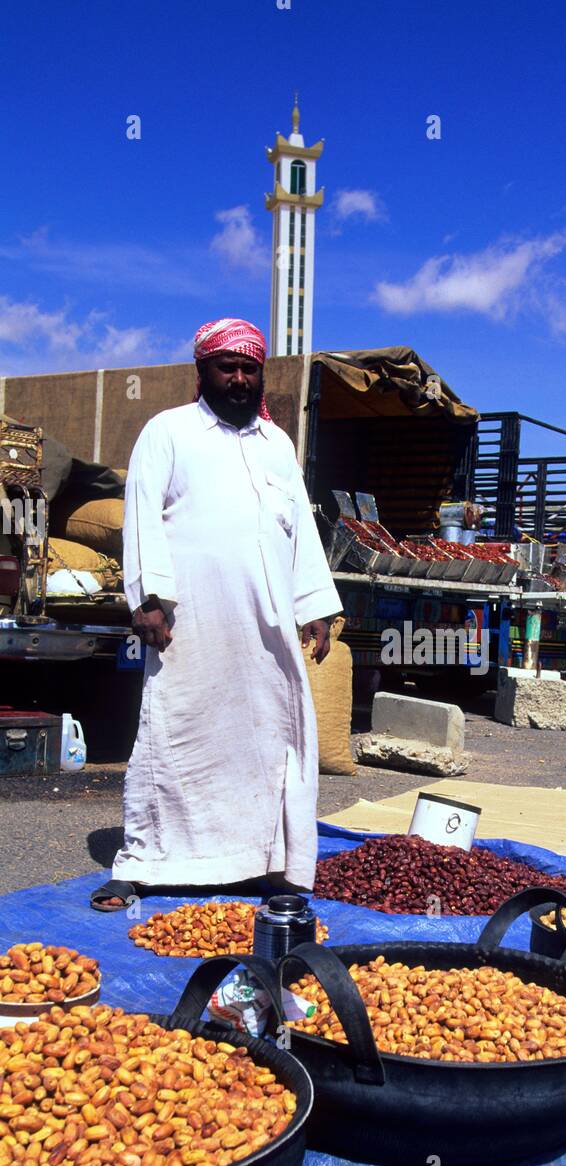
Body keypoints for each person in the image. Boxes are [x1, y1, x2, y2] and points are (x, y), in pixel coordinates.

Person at [91, 318, 341, 910]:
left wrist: (314, 605)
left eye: (249, 368)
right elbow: (141, 514)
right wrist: (148, 599)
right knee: (176, 731)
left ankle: (262, 862)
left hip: (266, 627)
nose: (239, 378)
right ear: (201, 371)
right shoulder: (168, 431)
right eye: (227, 367)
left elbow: (299, 530)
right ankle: (145, 863)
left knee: (270, 738)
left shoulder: (277, 445)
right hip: (193, 623)